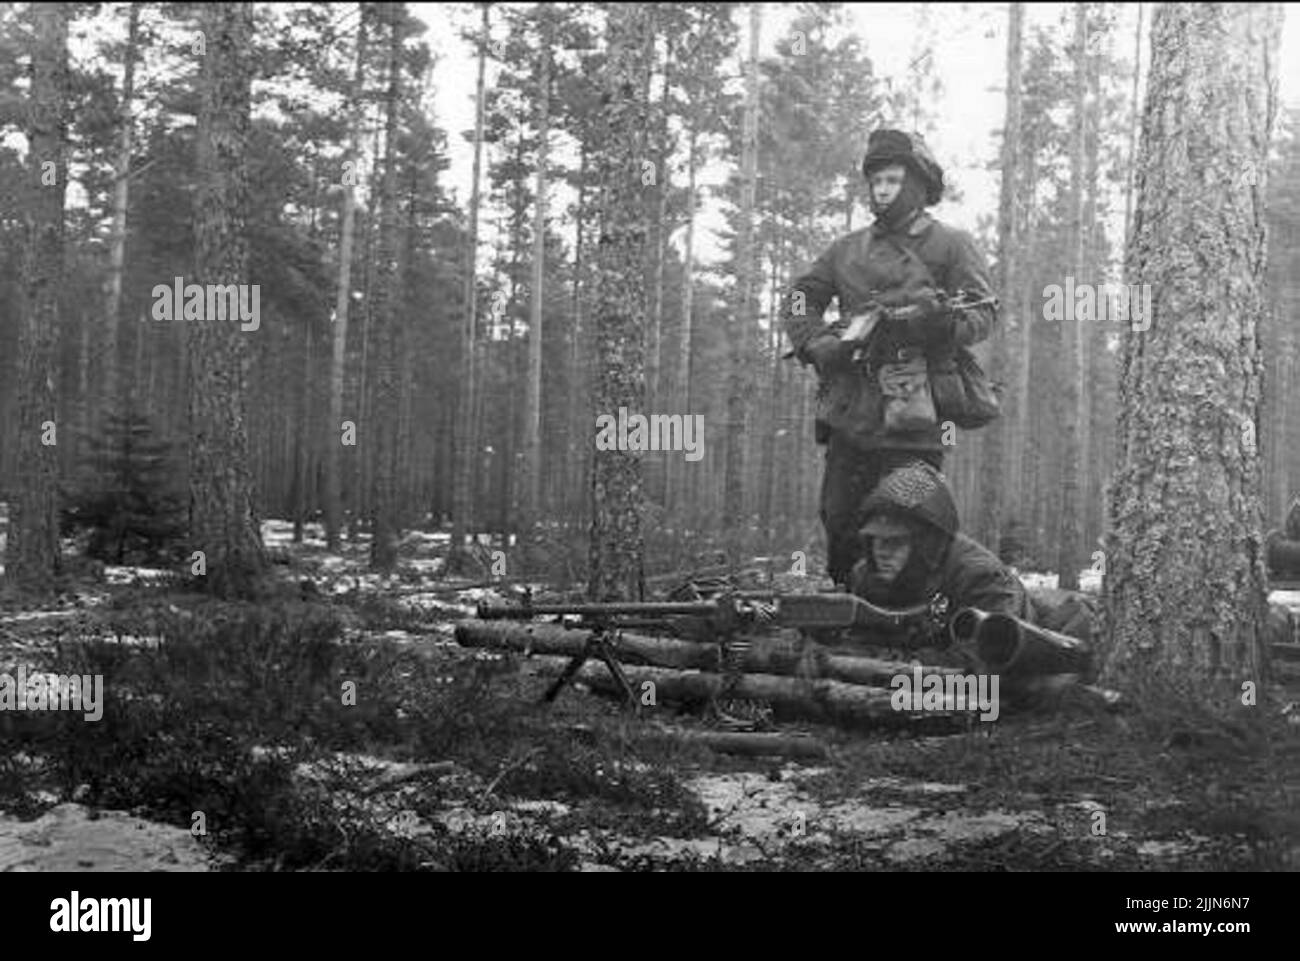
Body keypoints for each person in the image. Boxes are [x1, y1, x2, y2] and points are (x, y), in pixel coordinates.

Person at [782, 129, 999, 588]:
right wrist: (816, 342)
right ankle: (848, 617)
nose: (882, 190)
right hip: (851, 410)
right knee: (840, 517)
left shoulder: (951, 244)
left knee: (911, 521)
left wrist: (941, 326)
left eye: (893, 179)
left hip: (915, 414)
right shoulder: (845, 250)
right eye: (876, 180)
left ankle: (909, 627)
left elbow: (983, 311)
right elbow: (801, 297)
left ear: (917, 185)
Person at [846, 461, 1101, 676]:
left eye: (895, 541)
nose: (881, 551)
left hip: (1036, 639)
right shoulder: (865, 576)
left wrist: (895, 663)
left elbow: (983, 662)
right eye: (875, 540)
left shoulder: (980, 577)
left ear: (926, 543)